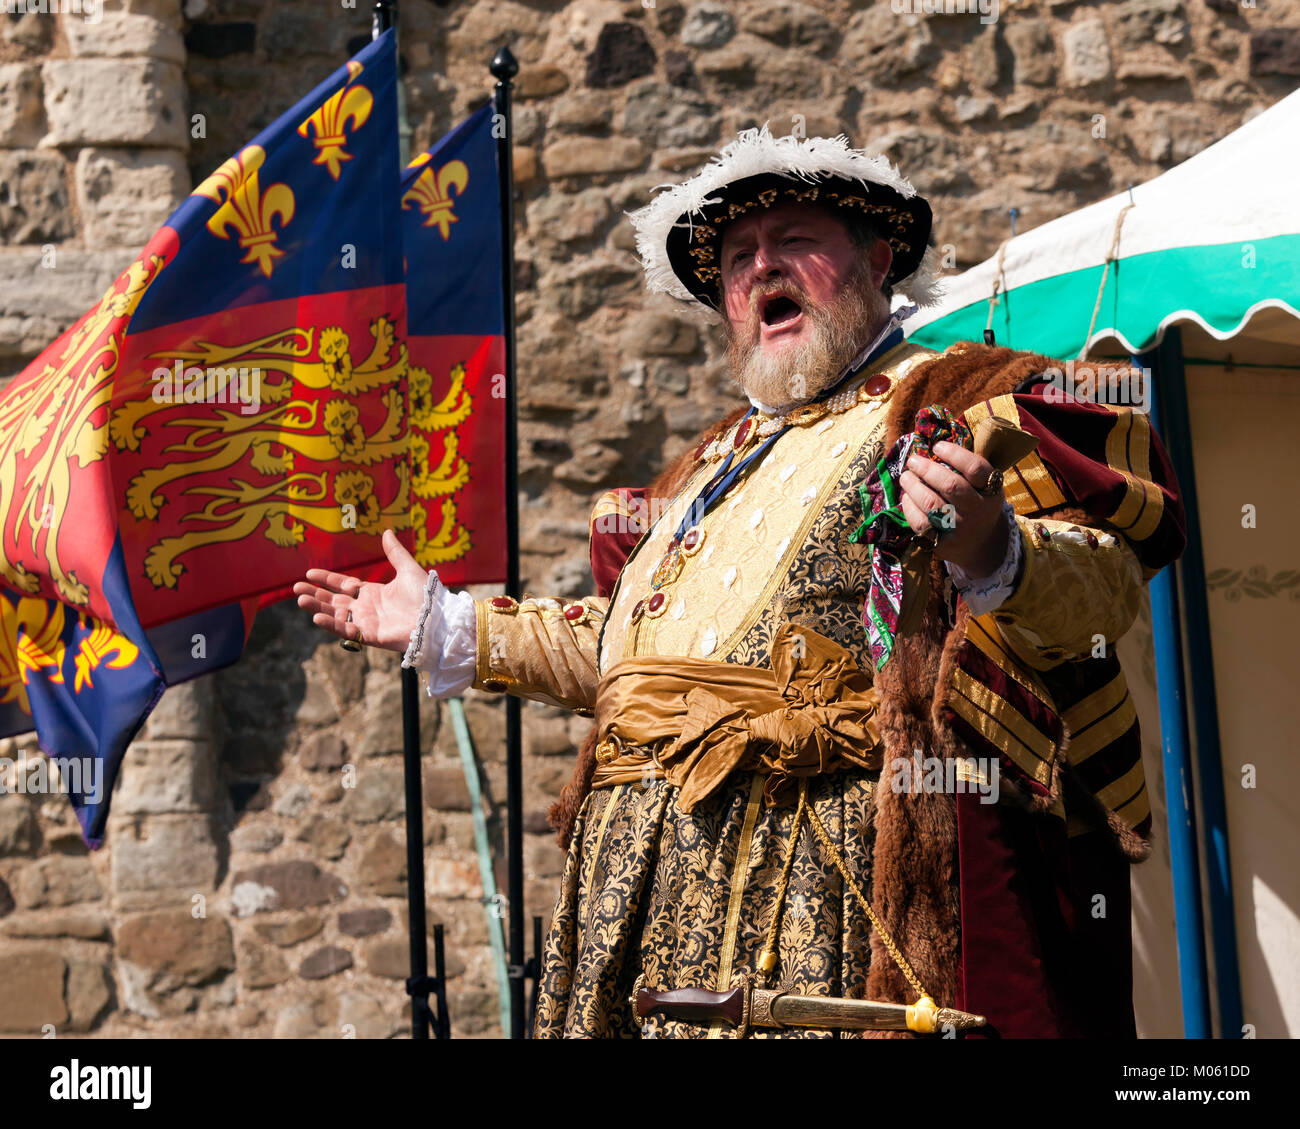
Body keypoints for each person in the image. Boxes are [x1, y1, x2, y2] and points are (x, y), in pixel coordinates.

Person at [294, 127, 1185, 1038]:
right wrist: (450, 626)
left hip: (809, 893)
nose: (762, 270)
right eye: (738, 258)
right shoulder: (705, 466)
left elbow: (1108, 587)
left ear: (879, 259)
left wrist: (995, 544)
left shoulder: (957, 401)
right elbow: (624, 658)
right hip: (633, 907)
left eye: (794, 239)